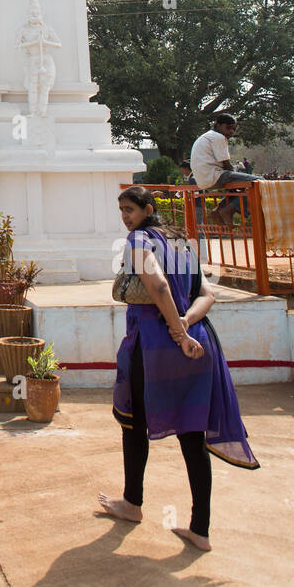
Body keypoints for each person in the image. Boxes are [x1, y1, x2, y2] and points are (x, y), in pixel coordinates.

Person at [99, 186, 259, 551]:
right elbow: (208, 294)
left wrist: (174, 329)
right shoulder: (182, 241)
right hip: (198, 344)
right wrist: (186, 325)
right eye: (121, 210)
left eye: (130, 210)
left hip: (155, 347)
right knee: (192, 436)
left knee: (133, 423)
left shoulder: (140, 240)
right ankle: (199, 530)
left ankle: (132, 503)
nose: (125, 216)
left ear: (147, 210)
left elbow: (155, 284)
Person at [189, 113, 260, 226]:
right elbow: (227, 165)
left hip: (203, 180)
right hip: (215, 175)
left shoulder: (207, 136)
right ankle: (228, 210)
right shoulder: (218, 137)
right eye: (228, 128)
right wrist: (237, 174)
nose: (231, 132)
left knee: (241, 189)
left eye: (234, 129)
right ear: (218, 125)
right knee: (259, 182)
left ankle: (218, 211)